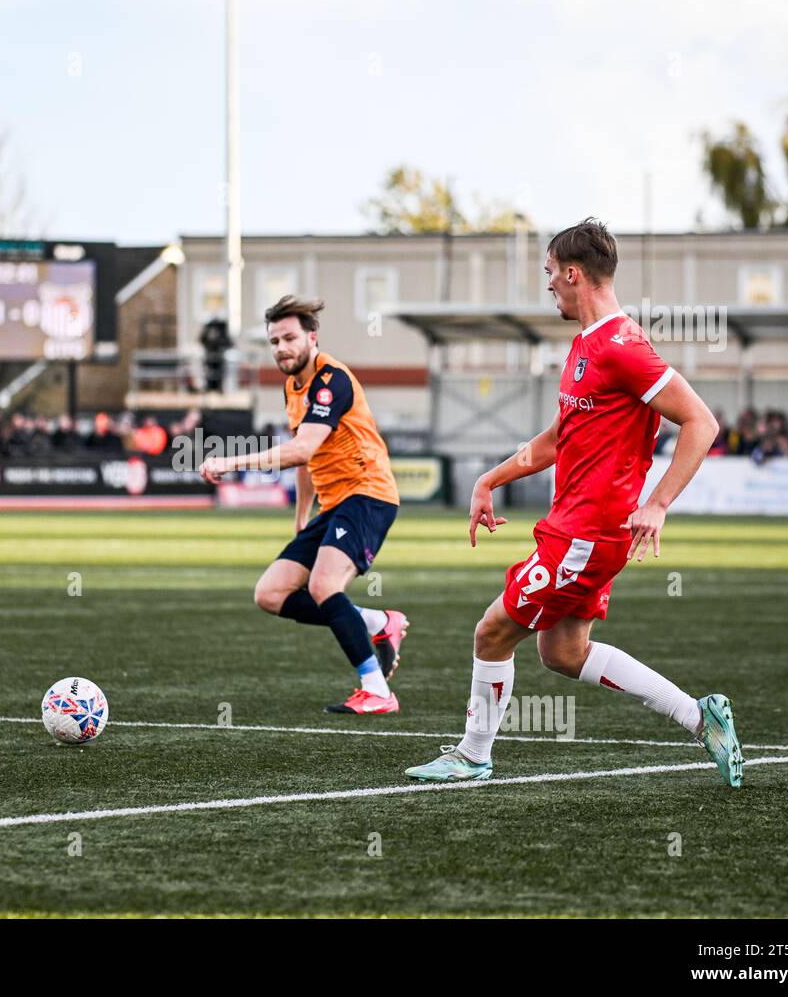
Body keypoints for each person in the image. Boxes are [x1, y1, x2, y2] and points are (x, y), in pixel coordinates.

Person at [403, 219, 743, 788]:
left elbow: (700, 422)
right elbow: (556, 441)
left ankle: (472, 755)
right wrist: (490, 478)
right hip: (576, 531)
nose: (547, 287)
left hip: (585, 535)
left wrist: (658, 503)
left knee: (491, 632)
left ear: (572, 273)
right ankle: (697, 714)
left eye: (548, 275)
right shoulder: (587, 346)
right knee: (562, 652)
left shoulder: (622, 346)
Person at [199, 295, 407, 715]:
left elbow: (300, 449)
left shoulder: (332, 380)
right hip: (334, 505)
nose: (281, 348)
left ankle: (377, 690)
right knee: (271, 593)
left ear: (312, 338)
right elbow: (307, 458)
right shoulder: (292, 386)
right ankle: (377, 622)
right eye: (274, 341)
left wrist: (230, 462)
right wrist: (300, 519)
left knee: (323, 587)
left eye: (289, 338)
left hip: (367, 494)